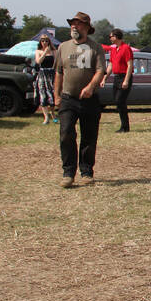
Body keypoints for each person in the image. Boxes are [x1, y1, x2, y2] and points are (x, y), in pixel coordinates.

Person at [55, 12, 107, 187]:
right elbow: (59, 72)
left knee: (89, 136)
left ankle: (86, 172)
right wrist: (56, 95)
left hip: (89, 100)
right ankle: (68, 173)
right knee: (66, 134)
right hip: (68, 98)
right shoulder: (63, 47)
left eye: (78, 24)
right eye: (72, 24)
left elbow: (101, 71)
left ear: (86, 27)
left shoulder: (95, 47)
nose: (74, 26)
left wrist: (91, 87)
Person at [106, 28, 133, 133]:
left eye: (111, 36)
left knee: (120, 100)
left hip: (124, 76)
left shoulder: (126, 48)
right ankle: (124, 125)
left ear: (116, 37)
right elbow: (111, 65)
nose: (110, 38)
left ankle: (125, 127)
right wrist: (105, 77)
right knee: (118, 102)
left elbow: (130, 65)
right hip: (116, 77)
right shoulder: (113, 50)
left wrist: (126, 80)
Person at [33, 35, 57, 125]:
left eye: (46, 41)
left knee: (52, 95)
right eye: (42, 41)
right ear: (40, 42)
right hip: (42, 75)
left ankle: (53, 114)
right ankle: (46, 117)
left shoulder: (54, 51)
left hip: (51, 74)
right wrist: (44, 53)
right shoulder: (38, 51)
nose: (44, 43)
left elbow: (57, 61)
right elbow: (38, 62)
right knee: (43, 95)